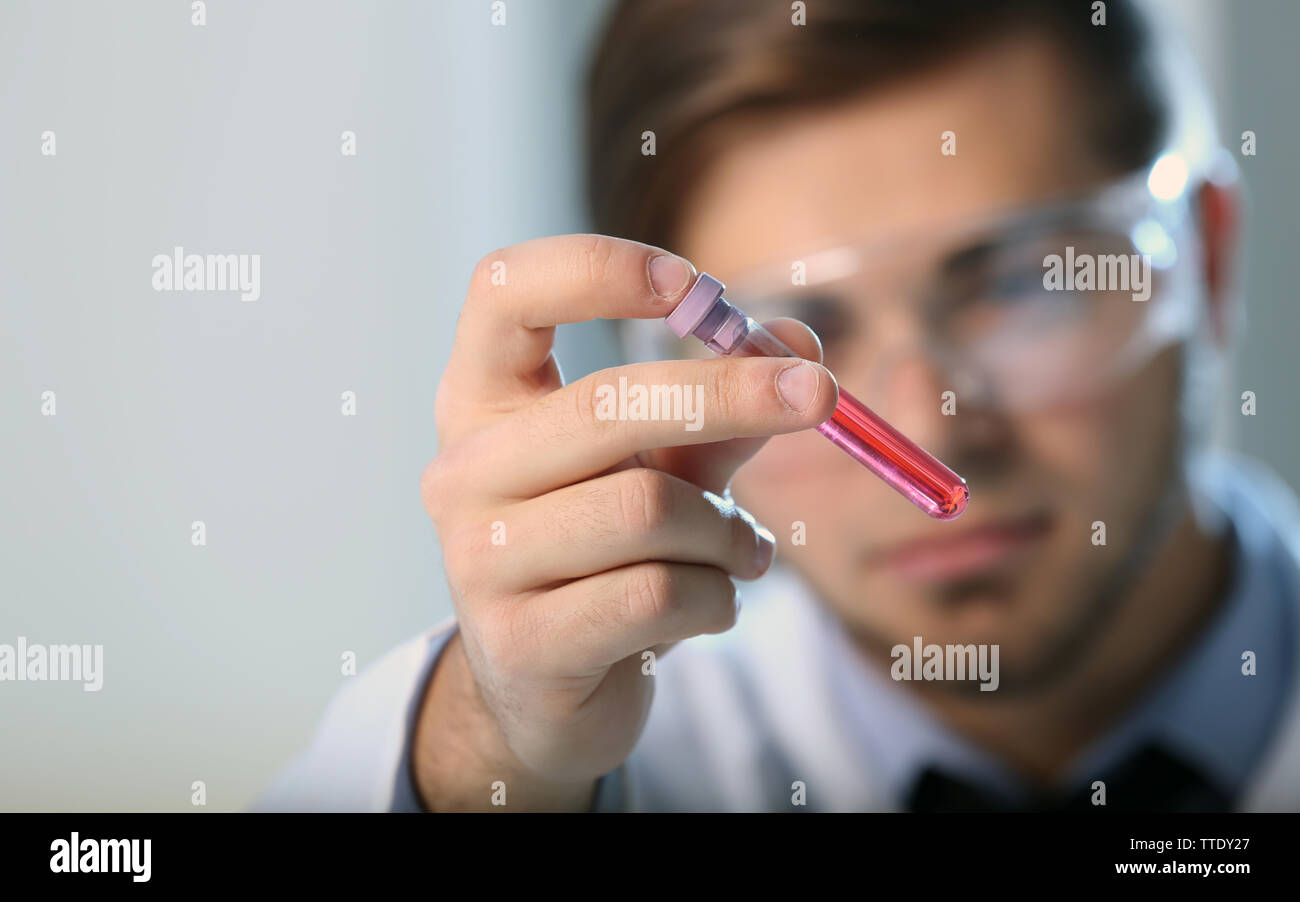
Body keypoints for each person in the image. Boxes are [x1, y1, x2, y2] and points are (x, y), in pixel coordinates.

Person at [256, 0, 1300, 812]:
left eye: (1020, 283)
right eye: (792, 330)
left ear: (1204, 259)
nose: (930, 430)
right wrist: (482, 749)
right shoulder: (631, 759)